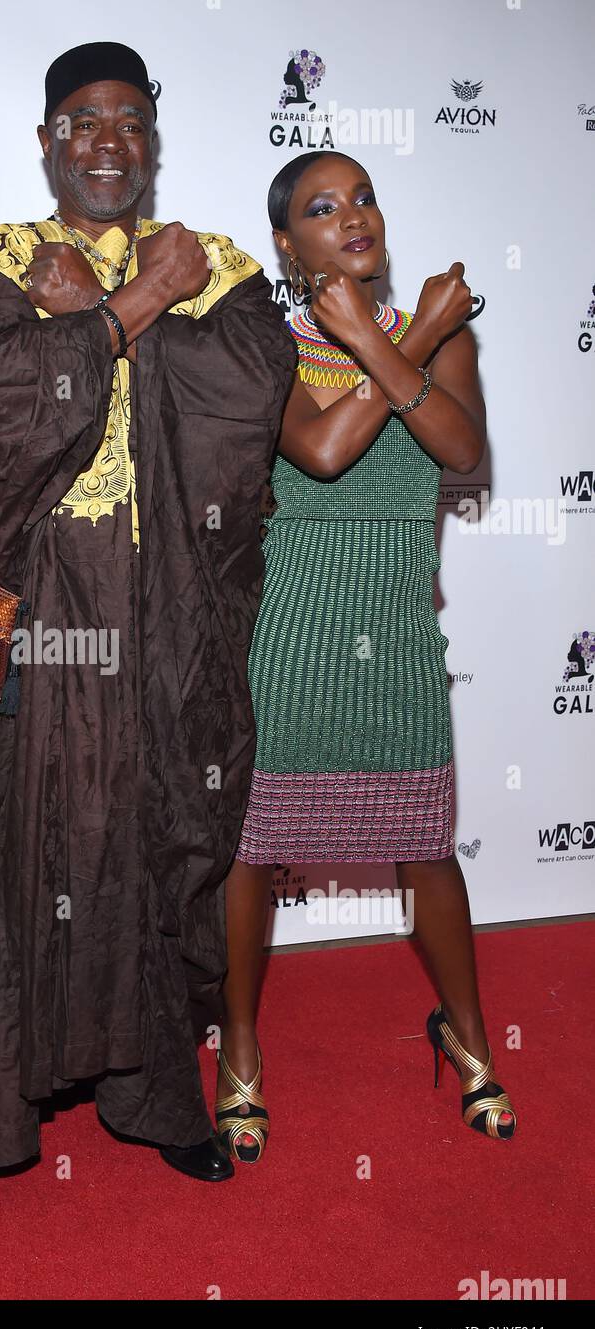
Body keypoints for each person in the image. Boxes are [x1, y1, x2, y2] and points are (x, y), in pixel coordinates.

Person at [0, 42, 295, 1194]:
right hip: (29, 604)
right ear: (45, 144)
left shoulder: (214, 264)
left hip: (155, 602)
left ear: (153, 143)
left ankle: (159, 1097)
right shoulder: (1, 260)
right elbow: (0, 401)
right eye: (81, 121)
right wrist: (136, 306)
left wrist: (119, 317)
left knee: (150, 831)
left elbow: (252, 388)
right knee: (8, 840)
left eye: (129, 121)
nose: (107, 142)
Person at [218, 151, 516, 1164]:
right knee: (251, 852)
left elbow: (459, 449)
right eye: (319, 206)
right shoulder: (263, 343)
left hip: (394, 634)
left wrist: (415, 338)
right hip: (289, 633)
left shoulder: (447, 338)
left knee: (424, 844)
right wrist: (418, 331)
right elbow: (322, 452)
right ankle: (241, 1052)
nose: (351, 216)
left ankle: (468, 1033)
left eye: (362, 197)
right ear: (285, 244)